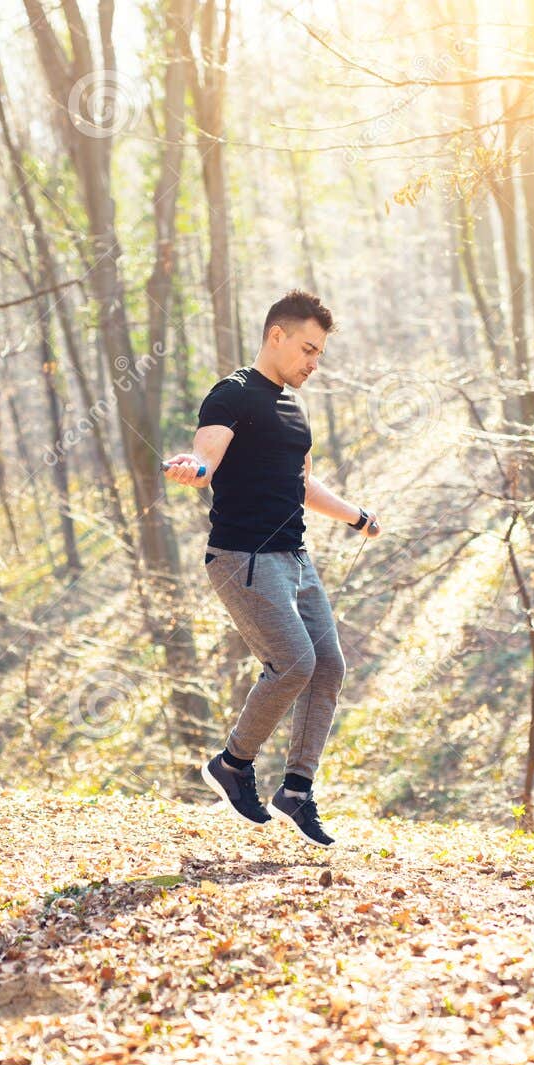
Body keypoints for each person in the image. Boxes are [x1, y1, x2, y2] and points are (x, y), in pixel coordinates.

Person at [162, 289, 382, 847]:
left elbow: (301, 484)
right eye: (307, 349)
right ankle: (232, 765)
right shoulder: (232, 394)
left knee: (327, 668)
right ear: (276, 336)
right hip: (244, 557)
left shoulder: (293, 408)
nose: (313, 363)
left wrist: (355, 516)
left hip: (295, 557)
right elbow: (207, 459)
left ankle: (297, 791)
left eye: (320, 354)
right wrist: (193, 467)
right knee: (293, 664)